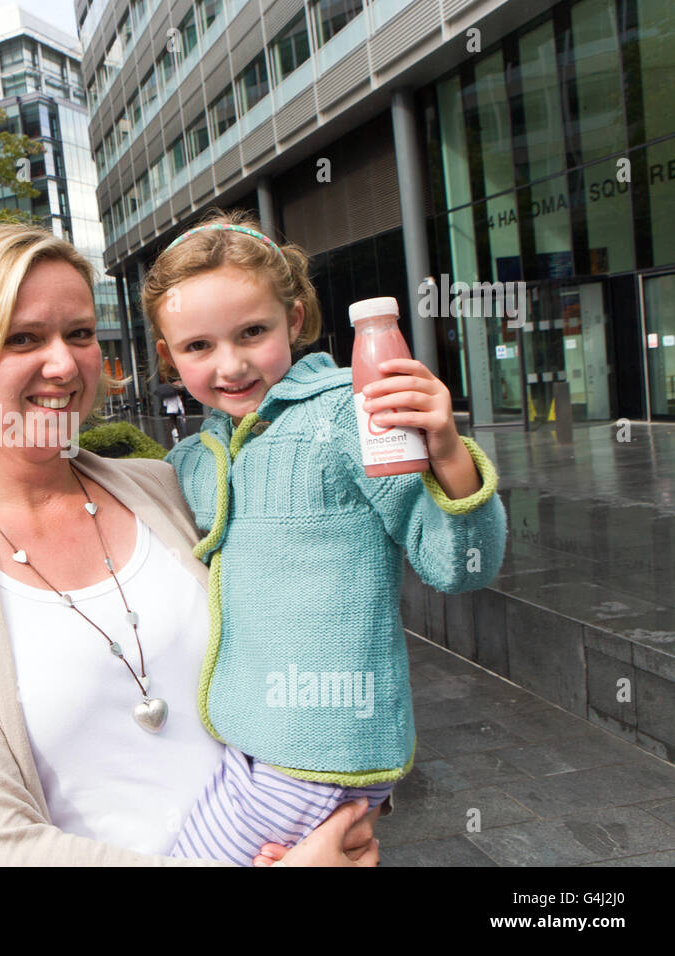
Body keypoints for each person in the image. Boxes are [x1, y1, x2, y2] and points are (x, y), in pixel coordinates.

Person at [0, 223, 385, 865]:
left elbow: (327, 621)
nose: (62, 364)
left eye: (79, 333)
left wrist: (347, 808)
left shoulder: (168, 487)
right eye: (23, 338)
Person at [142, 210, 508, 864]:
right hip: (251, 741)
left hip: (322, 748)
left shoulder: (350, 413)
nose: (230, 364)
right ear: (169, 357)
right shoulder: (195, 460)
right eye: (198, 346)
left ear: (298, 319)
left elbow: (460, 566)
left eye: (253, 332)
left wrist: (448, 450)